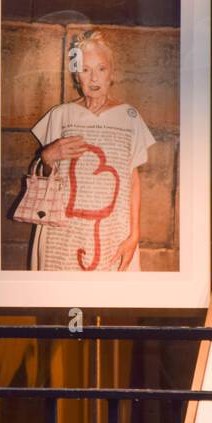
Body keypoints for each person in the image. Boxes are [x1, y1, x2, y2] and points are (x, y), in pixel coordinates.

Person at [27, 29, 156, 272]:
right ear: (77, 76)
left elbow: (133, 179)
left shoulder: (129, 117)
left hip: (111, 231)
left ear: (111, 74)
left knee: (106, 301)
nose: (93, 78)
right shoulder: (60, 115)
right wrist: (47, 156)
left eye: (101, 69)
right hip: (63, 233)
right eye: (85, 70)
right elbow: (47, 174)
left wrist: (134, 233)